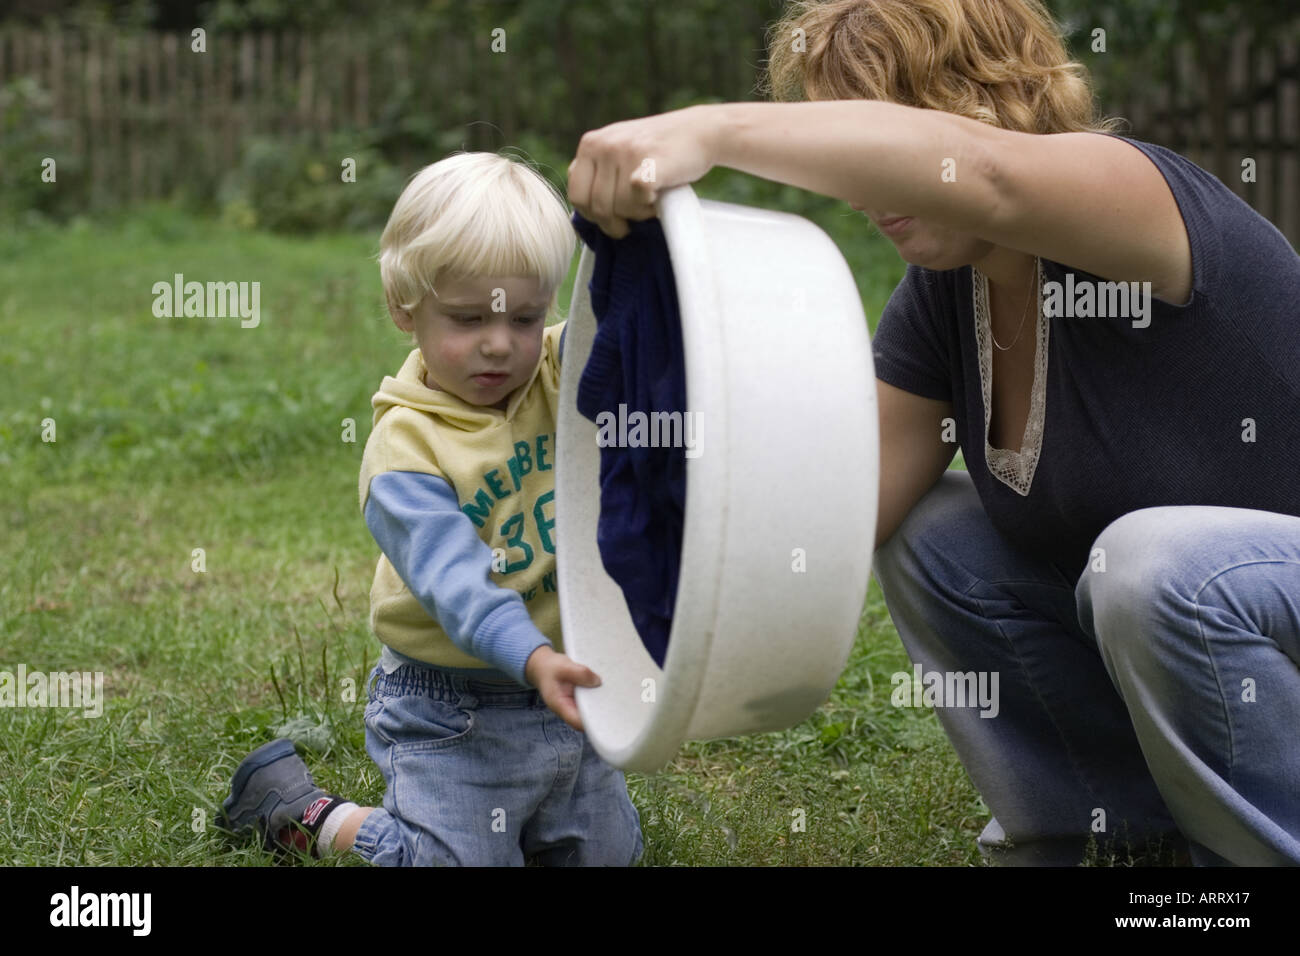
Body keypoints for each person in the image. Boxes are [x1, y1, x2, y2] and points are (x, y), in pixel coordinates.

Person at [566, 0, 1300, 866]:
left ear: (987, 99)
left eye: (871, 134)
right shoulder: (951, 295)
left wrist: (707, 129)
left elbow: (986, 176)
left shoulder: (1137, 193)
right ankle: (1105, 843)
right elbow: (829, 520)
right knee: (934, 536)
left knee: (1158, 566)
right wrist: (592, 605)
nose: (855, 188)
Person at [221, 151, 644, 866]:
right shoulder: (405, 452)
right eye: (469, 317)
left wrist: (627, 229)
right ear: (403, 307)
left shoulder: (561, 371)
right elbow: (459, 588)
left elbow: (627, 321)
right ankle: (304, 813)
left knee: (614, 857)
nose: (500, 344)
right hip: (447, 706)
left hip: (563, 692)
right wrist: (533, 656)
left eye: (527, 315)